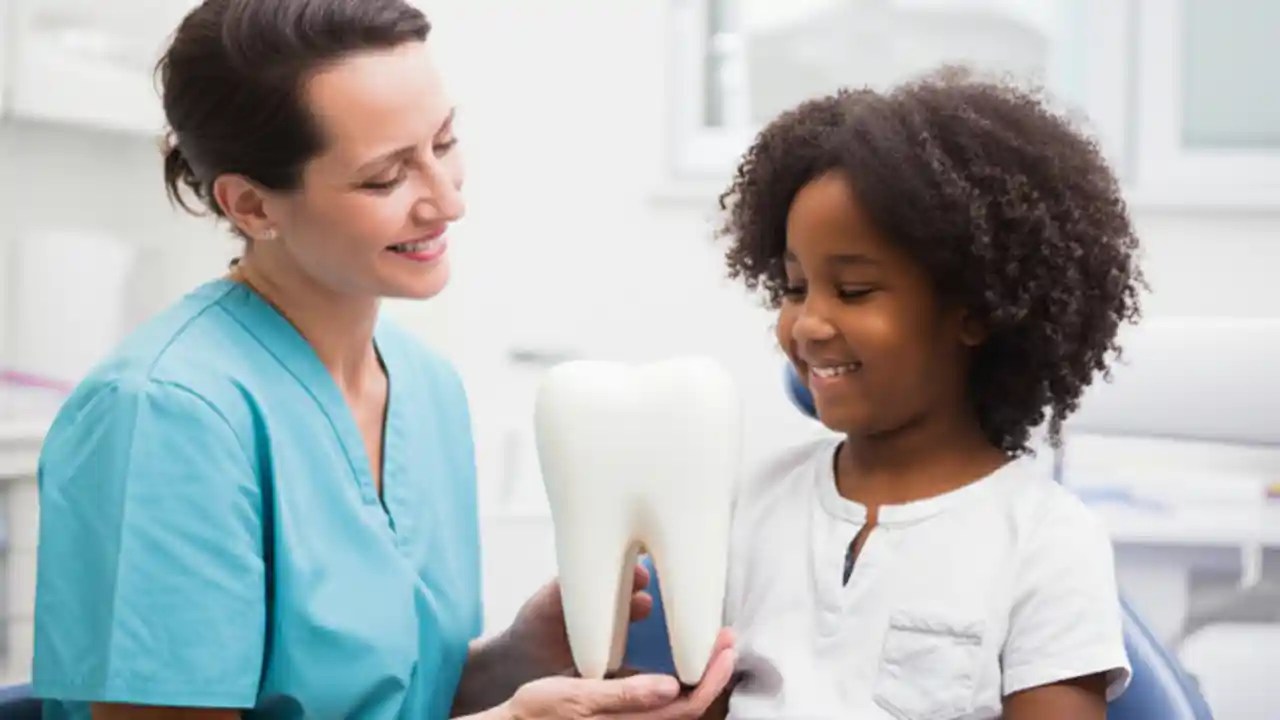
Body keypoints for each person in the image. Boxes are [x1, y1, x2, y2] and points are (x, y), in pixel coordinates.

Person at [29, 1, 734, 718]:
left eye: (444, 142)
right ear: (251, 206)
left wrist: (517, 657)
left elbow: (397, 699)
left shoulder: (426, 387)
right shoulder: (164, 417)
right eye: (385, 178)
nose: (447, 201)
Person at [702, 68, 1144, 719]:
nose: (809, 324)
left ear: (974, 310)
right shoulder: (750, 506)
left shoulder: (1044, 541)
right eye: (795, 288)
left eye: (853, 291)